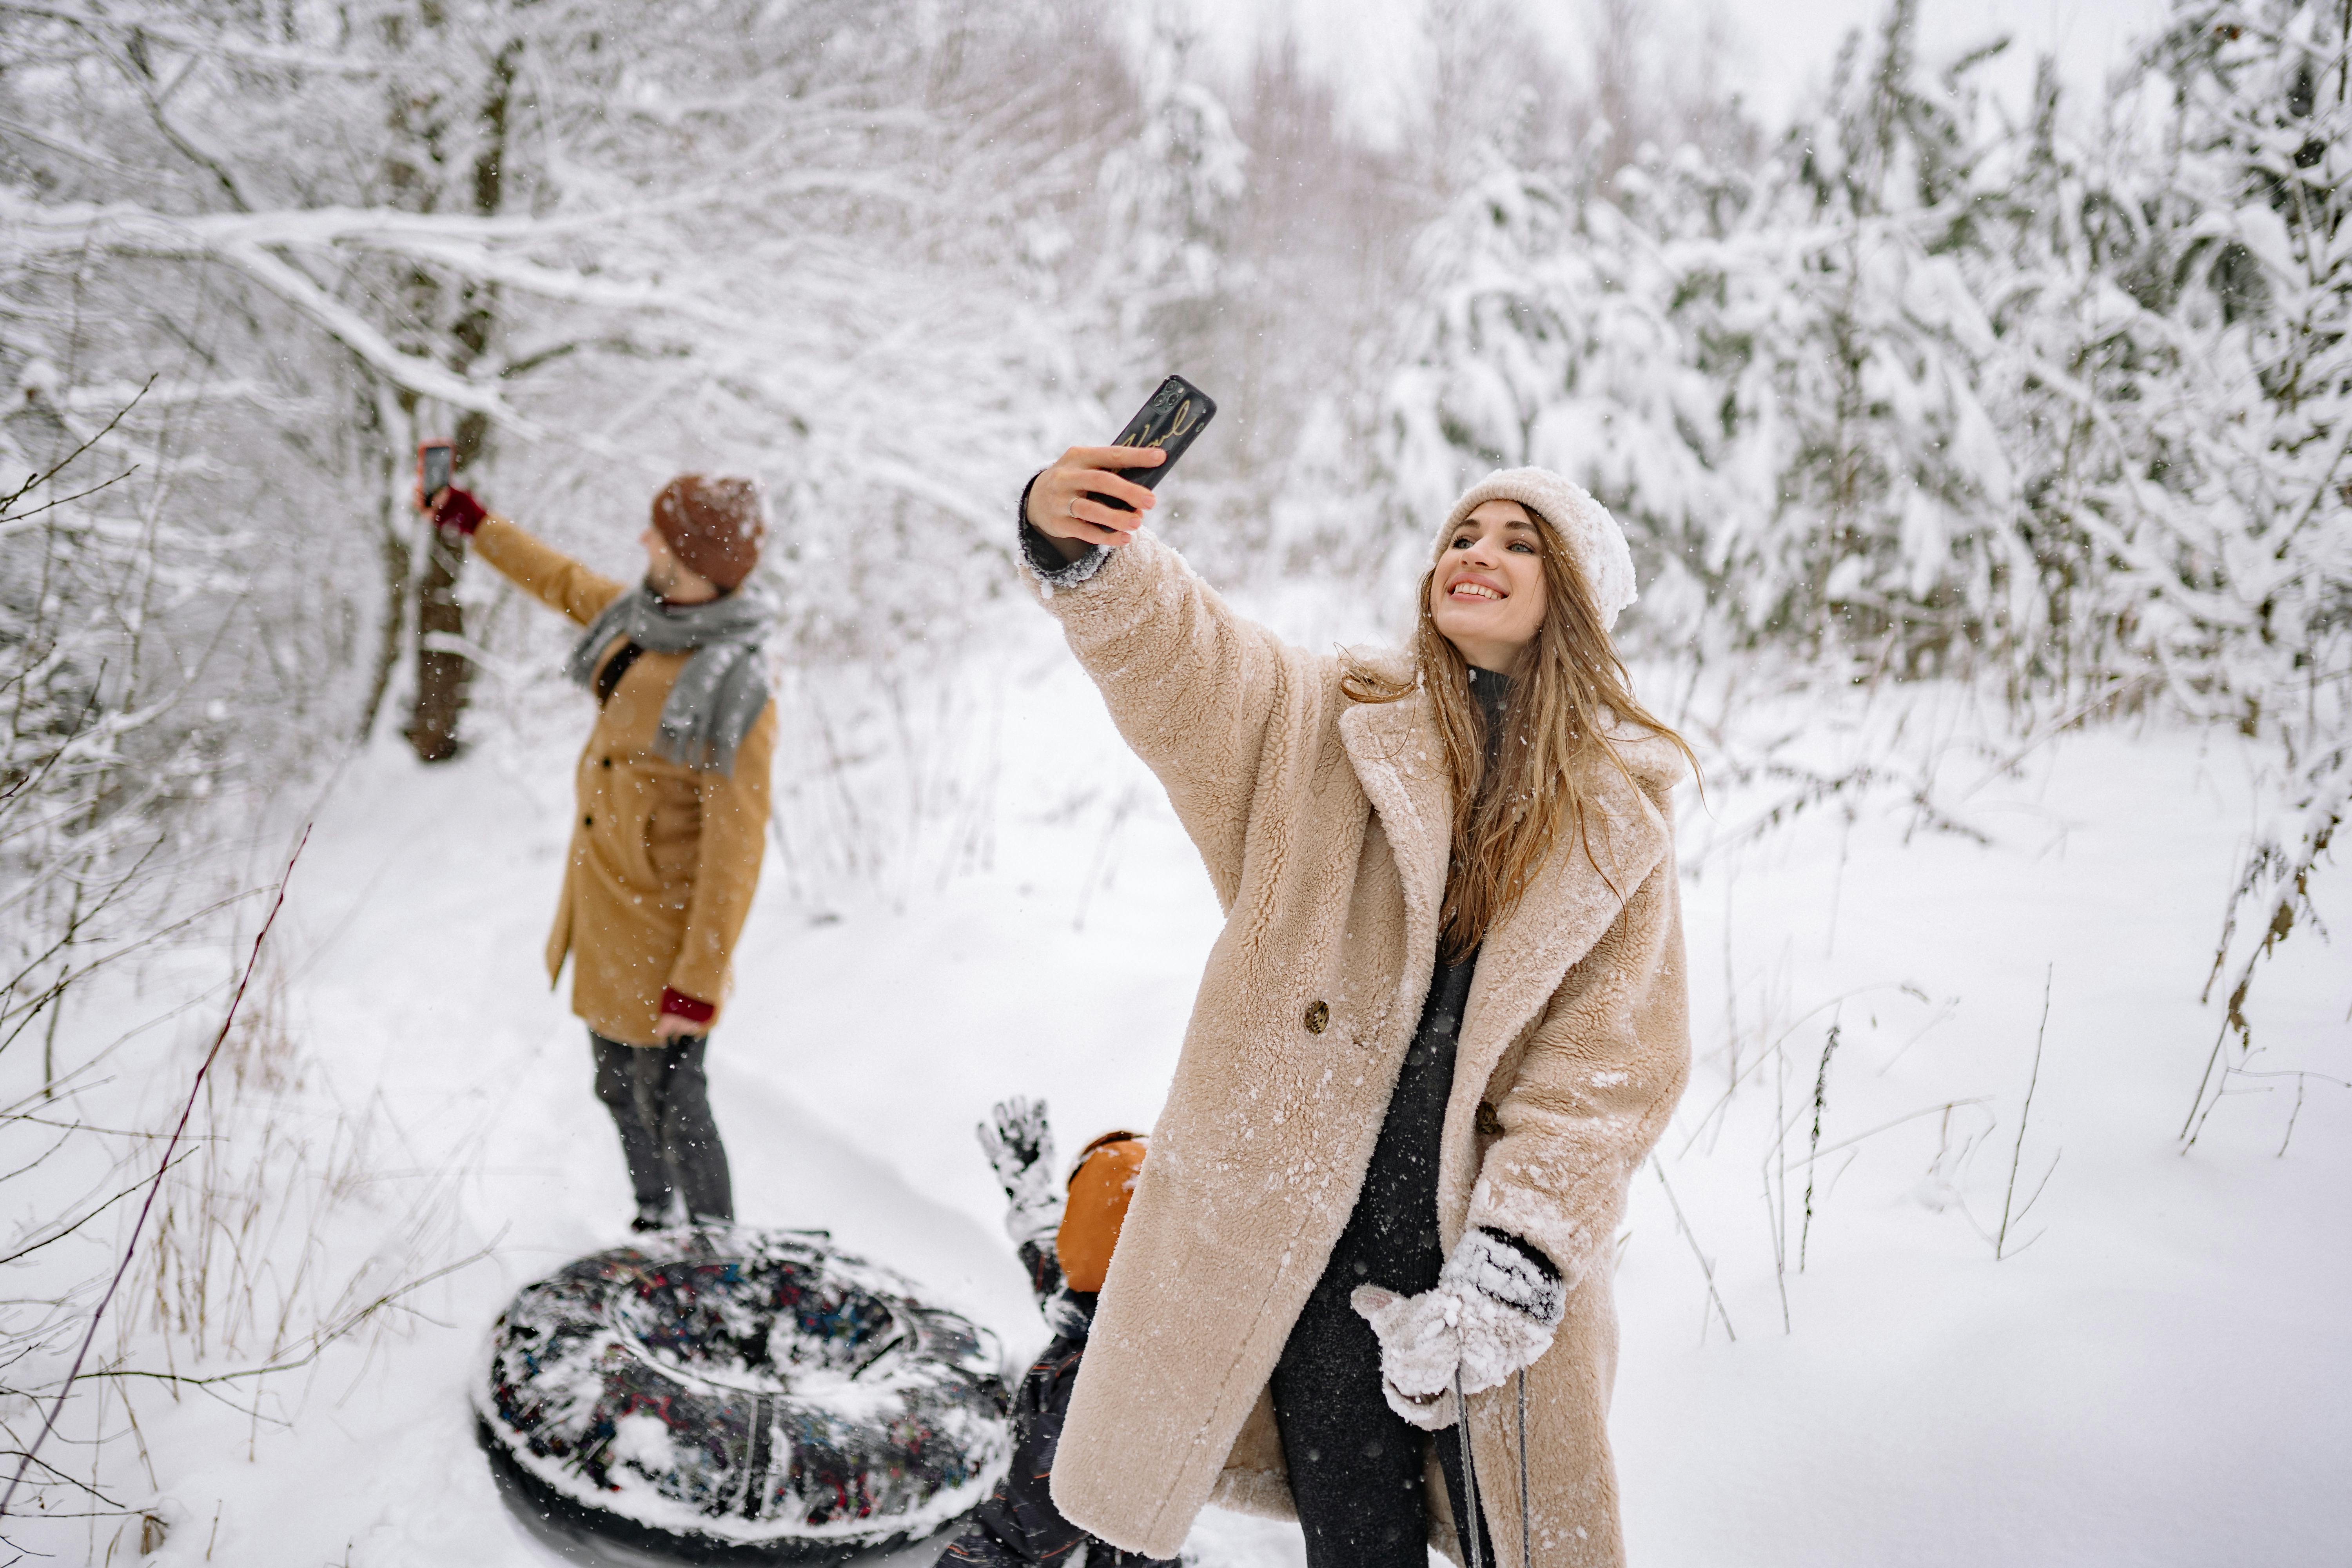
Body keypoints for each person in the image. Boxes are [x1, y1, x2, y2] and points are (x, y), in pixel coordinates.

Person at [1011, 447, 1695, 1568]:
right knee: (1357, 1548)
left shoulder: (1616, 817)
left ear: (1573, 595)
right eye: (1463, 535)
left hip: (1483, 1271)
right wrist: (1084, 551)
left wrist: (1516, 1260)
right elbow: (1191, 665)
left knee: (1514, 1541)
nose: (1477, 553)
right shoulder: (1329, 724)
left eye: (1519, 543)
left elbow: (1608, 1070)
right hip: (1317, 1259)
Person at [428, 477, 777, 1232]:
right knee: (617, 1085)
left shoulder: (738, 689)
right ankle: (655, 1220)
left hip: (667, 933)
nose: (644, 542)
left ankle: (714, 1248)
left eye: (660, 534)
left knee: (676, 1099)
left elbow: (737, 851)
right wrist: (474, 523)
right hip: (606, 908)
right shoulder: (641, 620)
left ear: (690, 557)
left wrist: (698, 982)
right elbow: (558, 579)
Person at [941, 1099, 1174, 1568]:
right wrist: (1031, 1198)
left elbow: (1023, 1536)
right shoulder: (1137, 1314)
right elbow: (1080, 1269)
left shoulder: (1100, 1386)